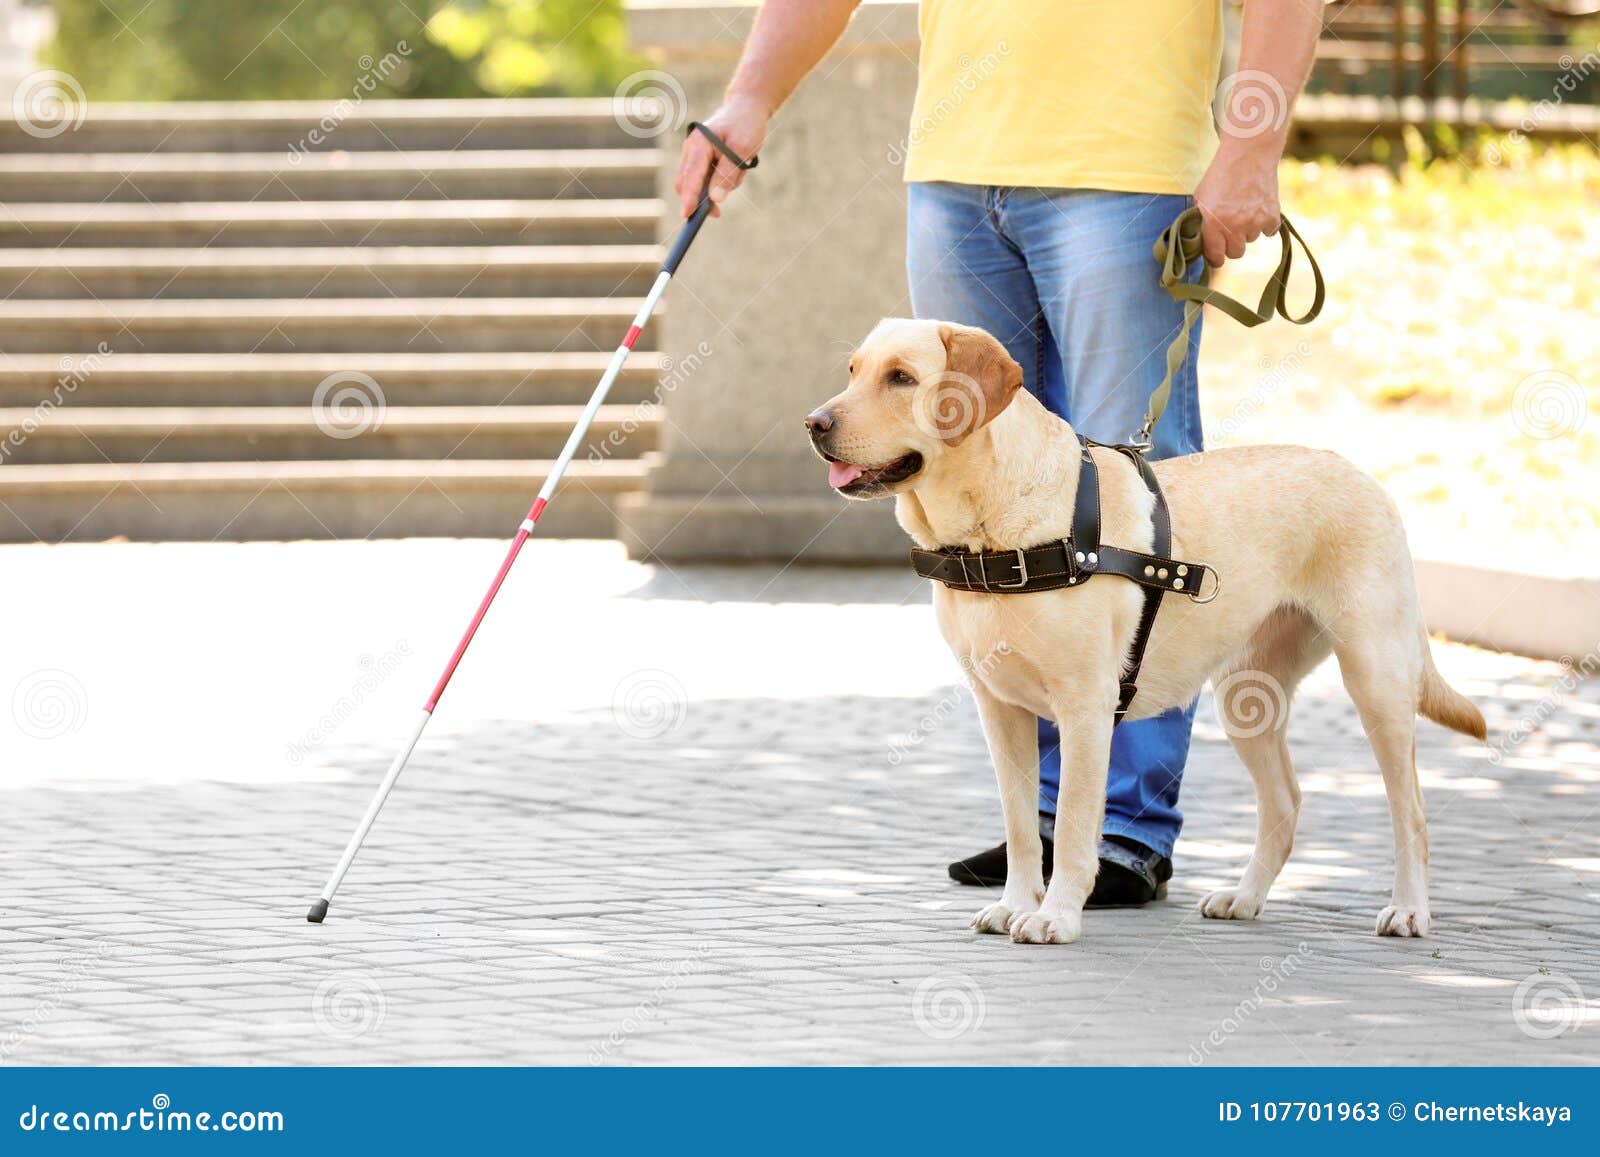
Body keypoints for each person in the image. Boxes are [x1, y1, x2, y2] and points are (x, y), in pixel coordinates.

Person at [676, 0, 1323, 904]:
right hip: (953, 175)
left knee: (1126, 498)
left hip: (1126, 170)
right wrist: (749, 96)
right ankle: (1052, 824)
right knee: (984, 491)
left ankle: (1125, 827)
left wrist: (1251, 143)